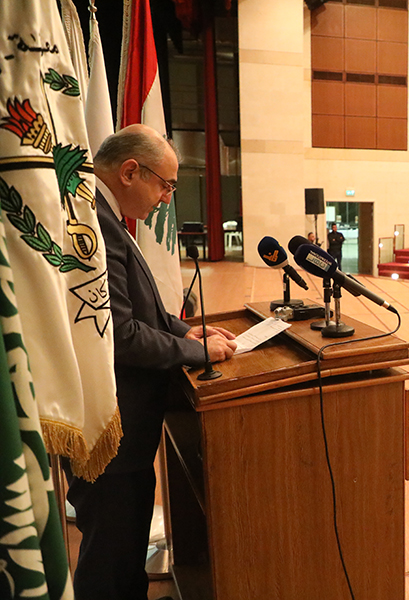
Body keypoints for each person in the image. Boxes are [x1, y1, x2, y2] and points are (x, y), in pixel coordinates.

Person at [67, 125, 237, 600]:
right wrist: (197, 352)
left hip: (123, 430)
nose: (166, 199)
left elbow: (139, 310)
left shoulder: (103, 213)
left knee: (124, 547)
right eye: (166, 185)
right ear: (129, 172)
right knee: (110, 555)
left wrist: (184, 331)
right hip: (111, 428)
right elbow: (120, 335)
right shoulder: (93, 223)